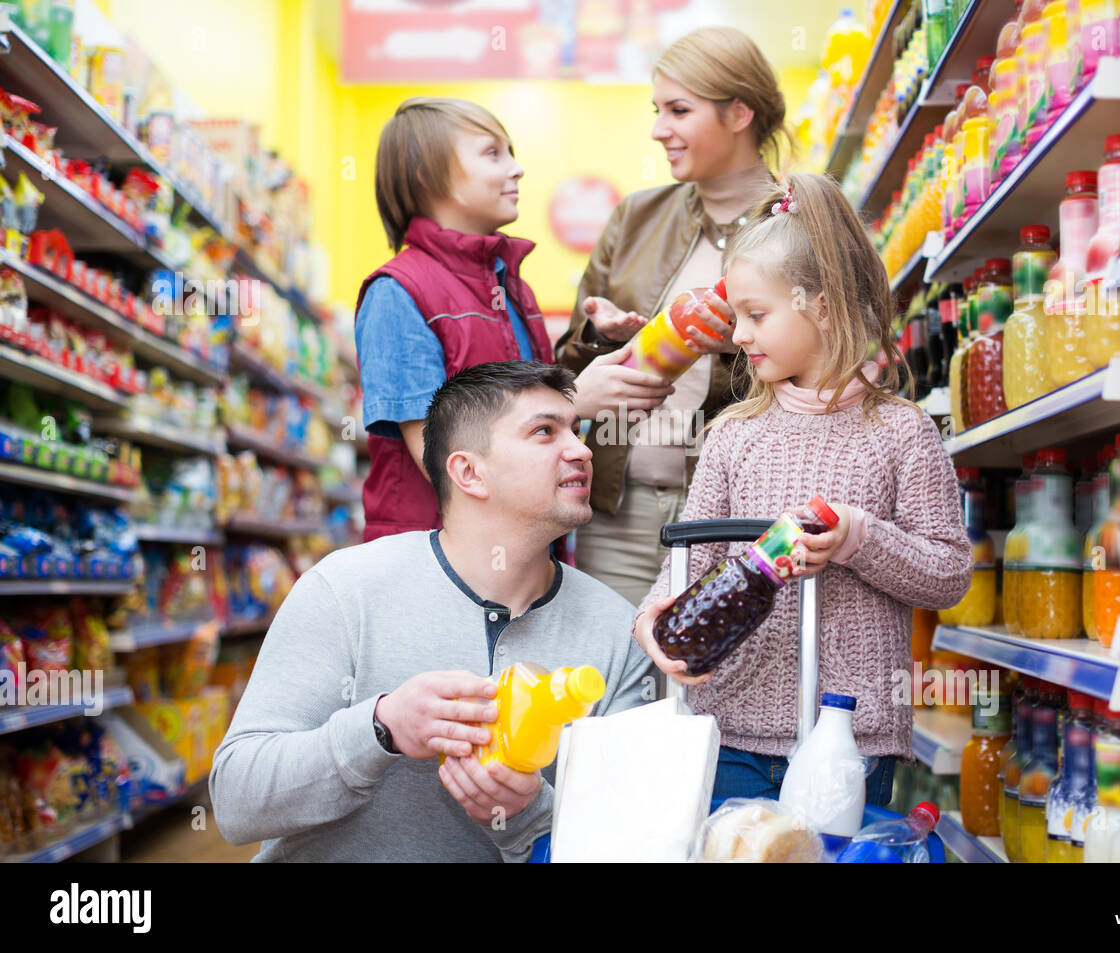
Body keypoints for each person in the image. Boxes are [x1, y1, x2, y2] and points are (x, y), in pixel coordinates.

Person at [211, 362, 655, 862]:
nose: (581, 450)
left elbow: (629, 840)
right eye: (544, 432)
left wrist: (529, 813)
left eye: (576, 430)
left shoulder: (619, 633)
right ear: (469, 472)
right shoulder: (344, 590)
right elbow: (236, 801)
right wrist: (381, 728)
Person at [632, 174, 973, 807]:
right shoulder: (734, 436)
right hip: (730, 733)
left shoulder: (901, 431)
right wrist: (656, 618)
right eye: (736, 315)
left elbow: (948, 574)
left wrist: (857, 538)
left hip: (851, 741)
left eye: (756, 315)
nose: (737, 334)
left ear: (821, 305)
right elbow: (691, 563)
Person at [355, 97, 673, 542]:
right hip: (437, 563)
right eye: (492, 153)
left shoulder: (511, 286)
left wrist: (596, 343)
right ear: (428, 175)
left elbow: (521, 401)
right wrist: (571, 406)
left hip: (518, 552)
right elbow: (438, 457)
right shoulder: (397, 292)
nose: (517, 168)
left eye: (511, 152)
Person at [554, 26, 791, 604]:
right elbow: (563, 364)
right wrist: (596, 336)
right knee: (623, 682)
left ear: (739, 113)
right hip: (620, 511)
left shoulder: (801, 225)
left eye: (679, 110)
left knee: (725, 681)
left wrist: (744, 343)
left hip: (743, 512)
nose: (660, 129)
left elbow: (847, 367)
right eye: (657, 110)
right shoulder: (634, 219)